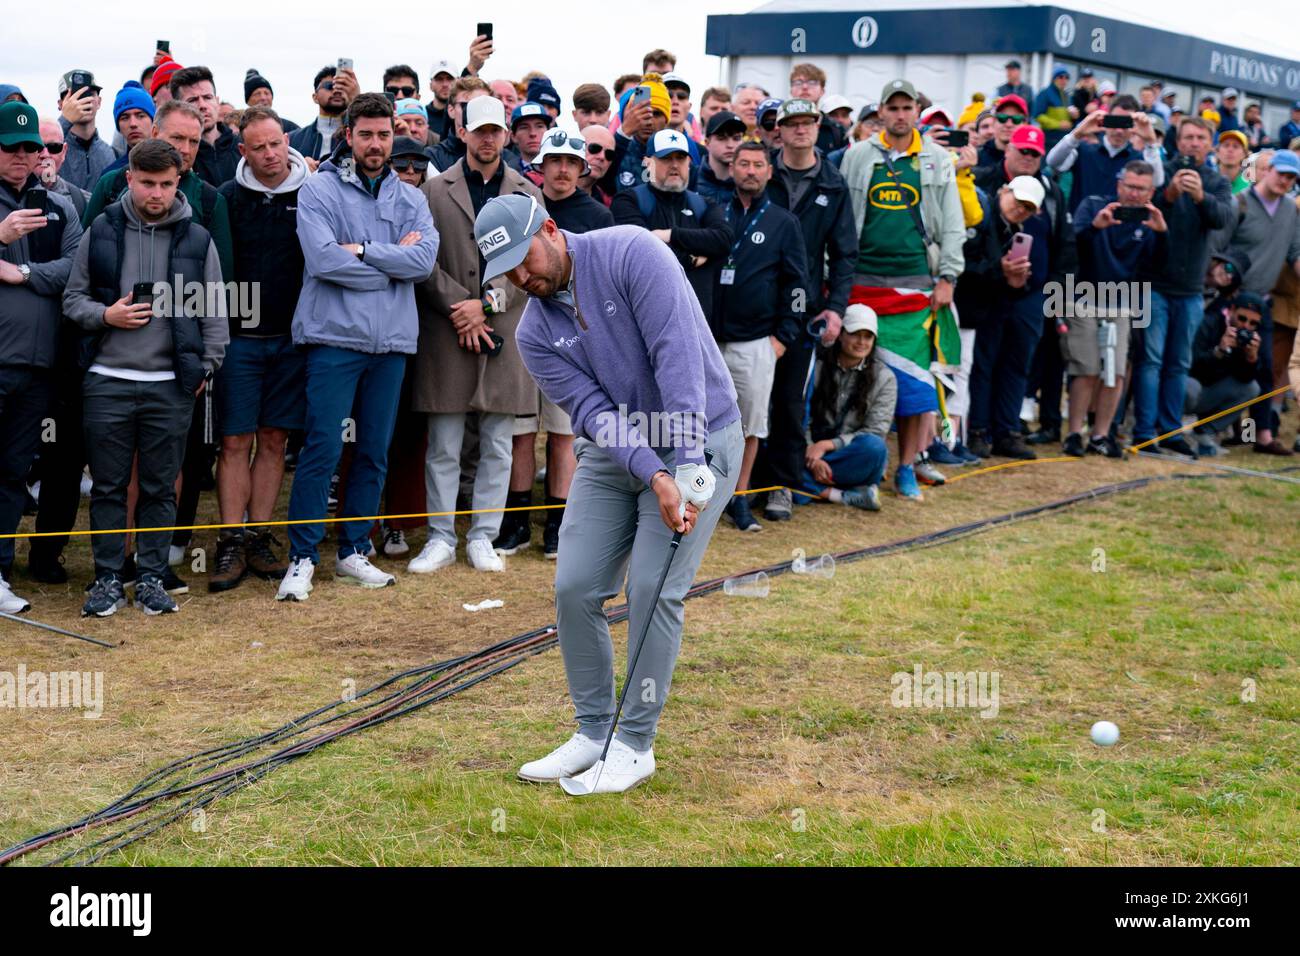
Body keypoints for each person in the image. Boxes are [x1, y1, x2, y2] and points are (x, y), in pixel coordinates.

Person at [476, 193, 742, 794]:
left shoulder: (632, 252)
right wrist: (653, 474)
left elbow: (677, 358)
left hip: (696, 437)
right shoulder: (533, 333)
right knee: (574, 586)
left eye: (523, 259)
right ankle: (594, 731)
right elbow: (594, 412)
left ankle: (634, 744)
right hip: (617, 452)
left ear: (549, 228)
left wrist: (684, 467)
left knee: (652, 588)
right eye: (506, 272)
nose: (521, 278)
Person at [276, 93, 437, 602]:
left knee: (373, 450)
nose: (375, 144)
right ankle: (302, 556)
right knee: (322, 447)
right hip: (333, 339)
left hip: (391, 344)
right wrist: (389, 269)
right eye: (365, 134)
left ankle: (353, 550)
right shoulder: (319, 189)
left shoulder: (412, 198)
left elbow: (423, 264)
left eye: (383, 134)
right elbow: (324, 261)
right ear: (348, 136)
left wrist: (365, 252)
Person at [63, 139, 228, 616]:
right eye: (147, 183)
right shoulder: (101, 228)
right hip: (106, 380)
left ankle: (152, 577)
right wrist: (106, 315)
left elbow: (216, 311)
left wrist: (207, 366)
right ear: (129, 178)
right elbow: (72, 299)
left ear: (179, 183)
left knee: (160, 486)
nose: (156, 193)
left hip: (171, 384)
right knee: (108, 488)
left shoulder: (198, 239)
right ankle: (108, 578)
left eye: (166, 184)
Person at [408, 95, 536, 575]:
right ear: (462, 132)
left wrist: (485, 305)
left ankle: (484, 535)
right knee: (444, 444)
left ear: (505, 134)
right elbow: (423, 260)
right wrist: (461, 307)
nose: (487, 138)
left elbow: (533, 261)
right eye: (479, 130)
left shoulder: (527, 192)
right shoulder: (433, 190)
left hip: (503, 329)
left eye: (494, 130)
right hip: (448, 331)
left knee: (498, 444)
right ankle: (441, 537)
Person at [840, 79, 965, 500]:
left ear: (916, 111)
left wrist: (948, 277)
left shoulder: (938, 159)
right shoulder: (858, 156)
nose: (899, 115)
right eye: (892, 108)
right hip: (862, 284)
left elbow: (953, 222)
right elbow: (843, 219)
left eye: (906, 107)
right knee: (855, 381)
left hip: (916, 286)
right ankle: (860, 464)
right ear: (880, 112)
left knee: (918, 387)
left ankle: (907, 466)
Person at [496, 127, 614, 559]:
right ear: (540, 166)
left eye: (571, 162)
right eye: (554, 161)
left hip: (575, 339)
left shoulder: (598, 215)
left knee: (564, 433)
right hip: (526, 333)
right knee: (521, 431)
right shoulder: (521, 207)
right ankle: (516, 521)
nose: (562, 169)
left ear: (582, 168)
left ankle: (558, 523)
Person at [208, 107, 309, 593]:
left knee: (274, 440)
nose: (270, 154)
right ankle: (230, 540)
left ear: (287, 140)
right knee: (234, 442)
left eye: (276, 143)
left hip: (291, 339)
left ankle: (258, 536)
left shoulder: (313, 193)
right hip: (239, 340)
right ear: (242, 150)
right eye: (259, 147)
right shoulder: (226, 198)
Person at [0, 101, 83, 614]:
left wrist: (24, 273)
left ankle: (0, 573)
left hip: (38, 365)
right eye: (11, 147)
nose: (23, 156)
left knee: (12, 472)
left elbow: (76, 267)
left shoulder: (60, 205)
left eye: (31, 147)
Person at [760, 98, 857, 522]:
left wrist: (836, 309)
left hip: (803, 307)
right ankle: (736, 484)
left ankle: (780, 485)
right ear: (778, 129)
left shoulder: (834, 183)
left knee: (789, 402)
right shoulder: (760, 171)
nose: (801, 129)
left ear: (818, 127)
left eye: (808, 122)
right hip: (754, 303)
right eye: (792, 123)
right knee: (742, 400)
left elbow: (846, 253)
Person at [708, 141, 807, 531]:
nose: (750, 170)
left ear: (769, 171)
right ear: (732, 168)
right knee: (702, 421)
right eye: (743, 163)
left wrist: (785, 335)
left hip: (757, 341)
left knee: (749, 425)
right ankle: (704, 493)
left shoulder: (783, 222)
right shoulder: (715, 212)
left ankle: (740, 496)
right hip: (710, 340)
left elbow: (798, 285)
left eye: (757, 165)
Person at [973, 124, 1076, 455]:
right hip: (989, 290)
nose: (1029, 157)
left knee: (1018, 365)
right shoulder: (985, 182)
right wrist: (997, 270)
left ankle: (1007, 430)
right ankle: (978, 429)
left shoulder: (1051, 192)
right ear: (1009, 149)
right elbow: (972, 243)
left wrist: (1053, 295)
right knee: (983, 363)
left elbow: (1064, 247)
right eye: (1023, 150)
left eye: (1035, 153)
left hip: (1032, 294)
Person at [1136, 116, 1233, 456]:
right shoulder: (1162, 172)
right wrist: (1170, 194)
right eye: (1188, 137)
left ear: (1210, 145)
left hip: (1191, 289)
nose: (1193, 143)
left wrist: (1201, 196)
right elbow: (1146, 209)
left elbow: (1222, 218)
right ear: (1177, 142)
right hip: (1155, 284)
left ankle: (1170, 430)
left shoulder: (1217, 182)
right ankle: (1144, 432)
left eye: (1200, 138)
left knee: (1178, 363)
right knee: (1150, 361)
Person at [1066, 161, 1169, 458]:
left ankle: (1101, 434)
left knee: (1116, 371)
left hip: (1123, 300)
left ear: (1151, 192)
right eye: (1130, 186)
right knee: (1086, 369)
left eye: (1142, 189)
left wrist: (1162, 234)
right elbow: (1072, 247)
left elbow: (1160, 268)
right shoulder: (1094, 206)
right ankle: (1074, 433)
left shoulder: (1151, 221)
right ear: (1119, 184)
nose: (1134, 194)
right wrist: (1094, 228)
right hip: (1083, 295)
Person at [1213, 148, 1300, 456]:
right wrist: (1222, 283)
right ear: (1268, 170)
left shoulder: (1290, 211)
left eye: (1291, 178)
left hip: (1263, 303)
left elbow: (1294, 253)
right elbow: (1218, 248)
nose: (1284, 181)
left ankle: (1260, 435)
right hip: (1232, 300)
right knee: (1226, 366)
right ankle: (1217, 430)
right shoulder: (1239, 203)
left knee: (1264, 370)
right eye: (1281, 174)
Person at [611, 128, 729, 318]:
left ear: (689, 163)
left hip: (699, 318)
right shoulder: (628, 201)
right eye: (666, 158)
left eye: (680, 158)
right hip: (648, 316)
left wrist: (670, 235)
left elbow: (724, 239)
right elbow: (642, 252)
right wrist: (691, 259)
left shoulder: (704, 204)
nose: (674, 165)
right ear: (648, 163)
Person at [798, 303, 895, 512]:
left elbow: (875, 431)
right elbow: (802, 415)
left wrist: (826, 446)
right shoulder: (817, 366)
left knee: (875, 448)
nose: (861, 342)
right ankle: (844, 495)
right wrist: (811, 452)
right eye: (855, 334)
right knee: (779, 453)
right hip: (809, 452)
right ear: (841, 334)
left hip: (849, 455)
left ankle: (810, 487)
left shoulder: (885, 378)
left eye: (867, 337)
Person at [1045, 95, 1164, 212]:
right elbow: (1052, 162)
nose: (1119, 130)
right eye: (1115, 122)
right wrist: (1077, 134)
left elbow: (1157, 182)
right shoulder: (1084, 150)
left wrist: (1151, 142)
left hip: (1115, 223)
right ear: (1106, 120)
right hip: (1080, 221)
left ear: (1134, 126)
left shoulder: (1137, 159)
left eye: (1125, 124)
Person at [1186, 292, 1269, 455]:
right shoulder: (1208, 322)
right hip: (1188, 389)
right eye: (1242, 318)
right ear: (1231, 310)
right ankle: (1165, 430)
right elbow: (1191, 366)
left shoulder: (1251, 338)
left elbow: (1244, 379)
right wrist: (1219, 351)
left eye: (1253, 323)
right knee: (1191, 386)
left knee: (1252, 388)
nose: (1246, 326)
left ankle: (1204, 434)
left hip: (1211, 394)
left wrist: (1251, 358)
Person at [169, 67, 240, 187]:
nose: (202, 105)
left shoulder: (243, 147)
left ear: (217, 101)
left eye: (207, 97)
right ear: (178, 108)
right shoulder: (177, 156)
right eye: (192, 100)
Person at [56, 70, 115, 191]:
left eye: (89, 94)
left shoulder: (110, 153)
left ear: (99, 102)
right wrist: (65, 120)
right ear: (61, 104)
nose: (83, 101)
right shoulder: (52, 150)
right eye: (74, 95)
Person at [288, 65, 356, 164]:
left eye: (342, 87)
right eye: (330, 86)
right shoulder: (293, 139)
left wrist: (356, 99)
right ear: (315, 97)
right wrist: (301, 167)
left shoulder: (358, 136)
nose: (337, 91)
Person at [787, 63, 847, 156]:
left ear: (822, 91)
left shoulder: (836, 129)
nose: (805, 87)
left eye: (812, 82)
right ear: (791, 90)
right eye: (798, 82)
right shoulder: (781, 125)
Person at [36, 118, 89, 220]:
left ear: (64, 152)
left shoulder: (84, 202)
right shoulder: (8, 198)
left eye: (54, 147)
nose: (45, 154)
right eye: (37, 146)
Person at [101, 82, 156, 176]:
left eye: (140, 116)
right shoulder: (111, 177)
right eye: (125, 118)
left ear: (153, 121)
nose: (133, 124)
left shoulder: (173, 166)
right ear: (118, 127)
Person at [698, 110, 744, 207]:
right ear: (707, 143)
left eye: (736, 138)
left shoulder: (749, 183)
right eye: (721, 138)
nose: (730, 145)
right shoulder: (691, 180)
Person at [976, 94, 1028, 173]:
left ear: (1025, 124)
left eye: (1016, 119)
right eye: (1002, 118)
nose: (1009, 124)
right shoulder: (976, 158)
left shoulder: (1032, 158)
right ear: (994, 121)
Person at [1033, 67, 1074, 148]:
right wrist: (1058, 124)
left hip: (1064, 139)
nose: (1064, 80)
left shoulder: (1068, 96)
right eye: (1061, 77)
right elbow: (1038, 116)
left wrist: (1074, 116)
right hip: (1049, 139)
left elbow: (1069, 119)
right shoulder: (1045, 93)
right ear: (1054, 79)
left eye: (1066, 77)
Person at [577, 125, 615, 207]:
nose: (602, 157)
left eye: (609, 154)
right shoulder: (550, 192)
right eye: (594, 148)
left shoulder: (607, 204)